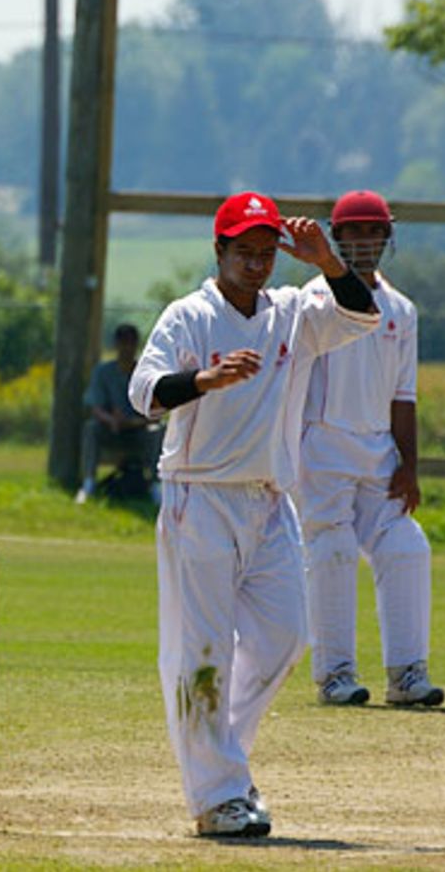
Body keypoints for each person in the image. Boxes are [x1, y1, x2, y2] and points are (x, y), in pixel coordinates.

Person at [128, 191, 380, 838]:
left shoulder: (293, 313)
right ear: (219, 250)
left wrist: (326, 261)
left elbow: (361, 316)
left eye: (268, 252)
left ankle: (223, 766)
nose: (258, 264)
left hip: (269, 502)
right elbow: (143, 391)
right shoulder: (189, 316)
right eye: (245, 252)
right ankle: (218, 796)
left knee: (285, 639)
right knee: (202, 650)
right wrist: (202, 382)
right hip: (199, 497)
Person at [297, 190, 443, 708]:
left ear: (387, 237)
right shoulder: (311, 302)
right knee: (332, 553)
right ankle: (335, 674)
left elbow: (404, 395)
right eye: (352, 232)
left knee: (407, 547)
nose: (363, 241)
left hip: (378, 453)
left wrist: (411, 466)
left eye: (372, 231)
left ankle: (406, 675)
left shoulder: (401, 309)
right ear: (335, 238)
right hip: (320, 450)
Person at [76, 322, 162, 504]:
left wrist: (131, 422)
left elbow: (156, 413)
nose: (127, 348)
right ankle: (88, 483)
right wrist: (111, 420)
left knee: (158, 431)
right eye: (123, 343)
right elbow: (95, 407)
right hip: (111, 429)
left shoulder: (146, 373)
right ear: (116, 345)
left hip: (138, 431)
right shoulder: (103, 372)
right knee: (90, 428)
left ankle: (156, 485)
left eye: (131, 343)